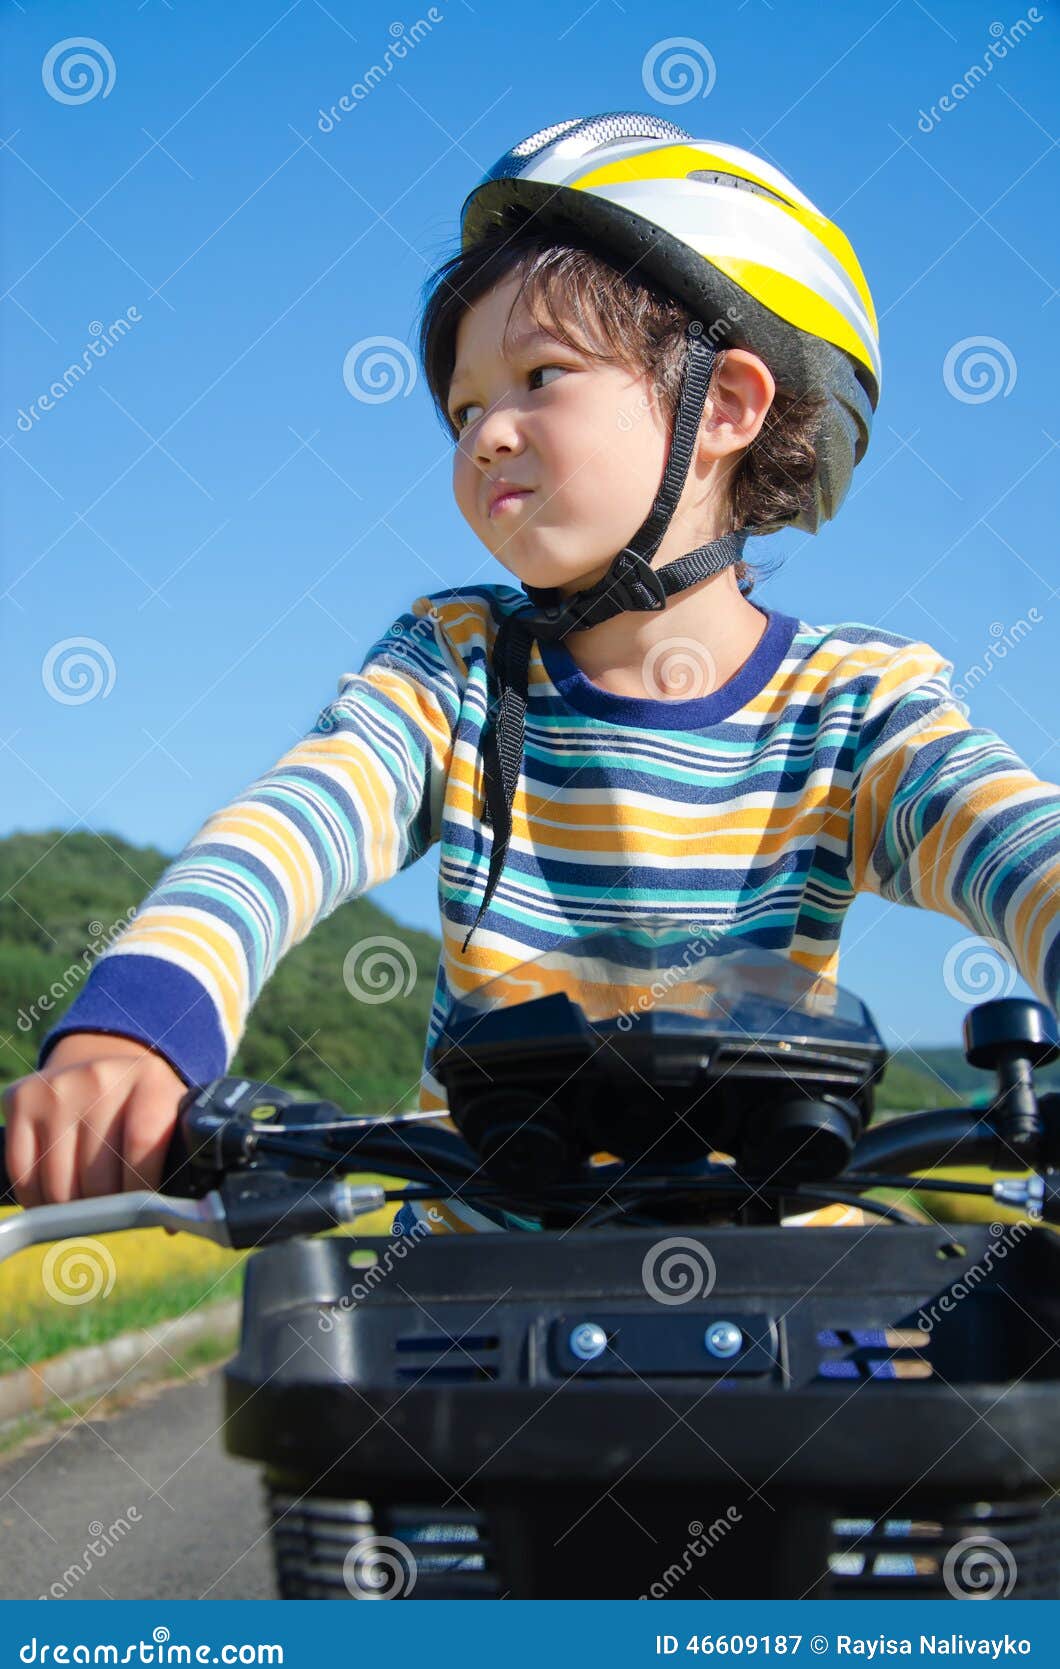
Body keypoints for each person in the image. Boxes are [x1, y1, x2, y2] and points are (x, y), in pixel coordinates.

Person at [4, 114, 1059, 1234]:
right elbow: (287, 827)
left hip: (785, 1283)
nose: (483, 434)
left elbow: (1012, 839)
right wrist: (138, 1024)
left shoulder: (854, 706)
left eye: (539, 376)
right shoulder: (453, 668)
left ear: (731, 407)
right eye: (463, 408)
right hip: (468, 1289)